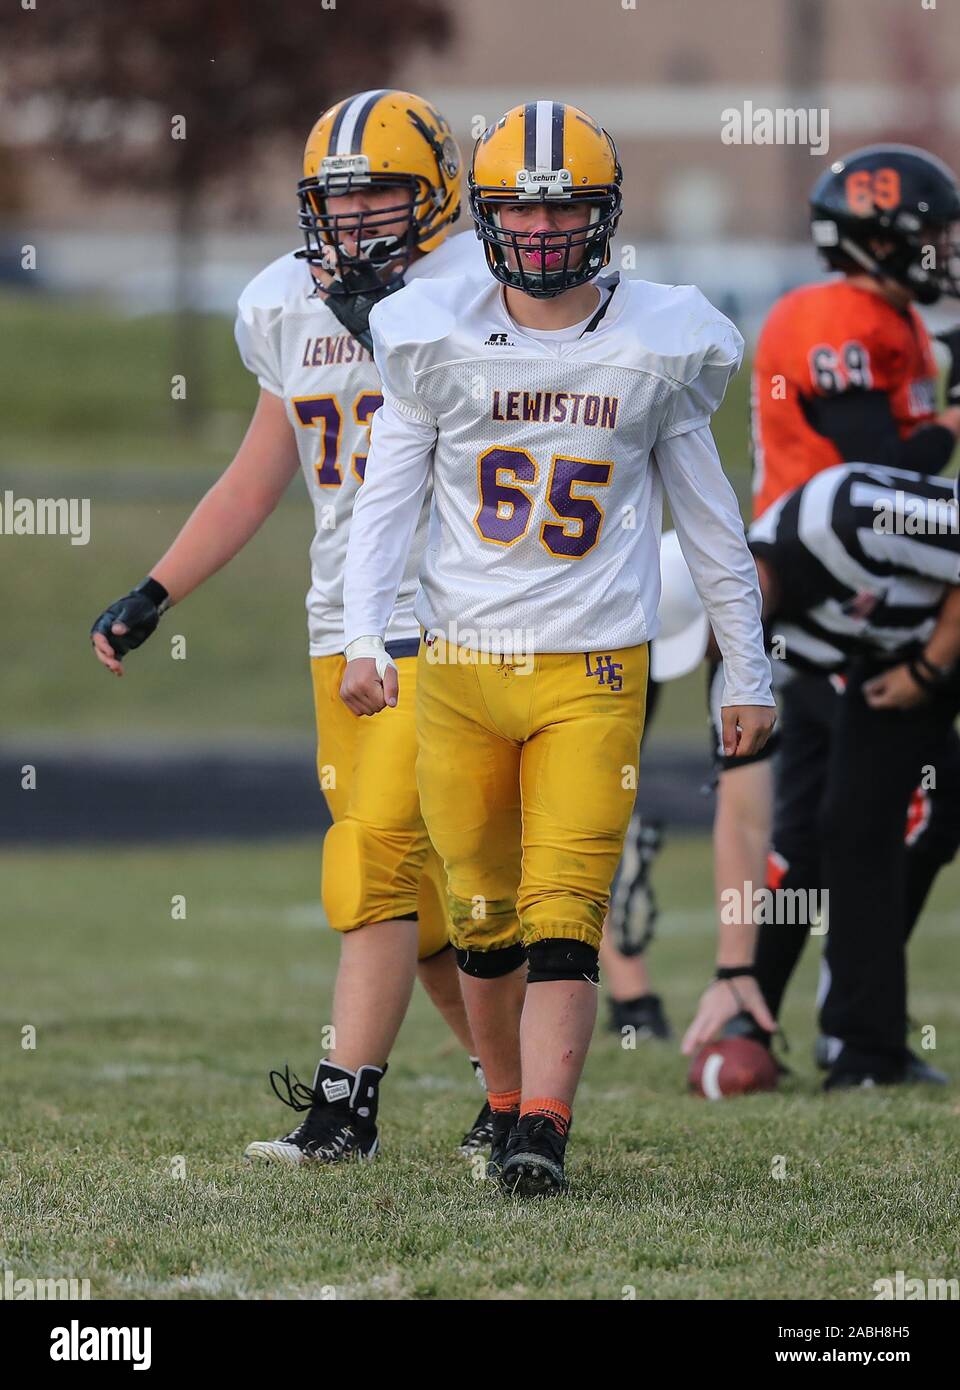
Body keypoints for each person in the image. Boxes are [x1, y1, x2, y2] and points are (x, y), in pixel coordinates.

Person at [339, 100, 775, 1196]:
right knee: (481, 922)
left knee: (565, 914)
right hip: (460, 667)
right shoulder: (431, 328)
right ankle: (500, 1101)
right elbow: (383, 503)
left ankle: (544, 1126)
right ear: (484, 220)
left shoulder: (660, 337)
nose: (539, 237)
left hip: (595, 668)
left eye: (563, 213)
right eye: (519, 217)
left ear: (602, 215)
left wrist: (748, 667)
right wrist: (361, 632)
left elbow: (712, 523)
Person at [90, 89, 493, 1165]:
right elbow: (259, 474)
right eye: (340, 199)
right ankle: (513, 1101)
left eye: (383, 196)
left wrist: (403, 337)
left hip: (450, 619)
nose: (359, 220)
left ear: (440, 193)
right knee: (423, 907)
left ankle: (343, 1111)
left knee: (369, 861)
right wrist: (156, 588)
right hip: (339, 625)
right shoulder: (284, 301)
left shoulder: (480, 290)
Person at [695, 144, 960, 1072]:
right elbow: (871, 461)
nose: (940, 251)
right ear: (876, 238)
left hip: (863, 579)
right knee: (858, 818)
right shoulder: (825, 313)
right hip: (822, 581)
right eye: (926, 236)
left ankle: (772, 1011)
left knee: (831, 825)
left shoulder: (900, 321)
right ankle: (834, 1021)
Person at [749, 462, 960, 1086]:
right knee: (850, 827)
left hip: (926, 654)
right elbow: (741, 812)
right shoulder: (744, 644)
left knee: (906, 816)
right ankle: (861, 1051)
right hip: (898, 664)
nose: (720, 639)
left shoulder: (840, 517)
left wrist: (929, 667)